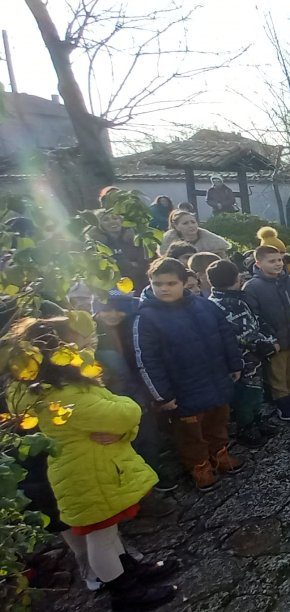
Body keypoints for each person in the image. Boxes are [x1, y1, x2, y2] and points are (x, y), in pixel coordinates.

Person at [8, 316, 177, 609]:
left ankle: (130, 572)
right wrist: (126, 409)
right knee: (100, 538)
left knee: (108, 534)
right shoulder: (65, 395)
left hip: (90, 469)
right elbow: (123, 413)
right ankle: (125, 594)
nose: (84, 346)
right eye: (77, 342)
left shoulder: (42, 389)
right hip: (88, 475)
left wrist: (120, 423)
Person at [133, 257, 245, 492]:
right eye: (158, 283)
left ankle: (219, 454)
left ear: (184, 282)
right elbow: (146, 360)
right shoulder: (146, 318)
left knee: (218, 422)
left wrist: (234, 364)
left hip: (215, 379)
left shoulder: (204, 306)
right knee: (190, 435)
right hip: (183, 390)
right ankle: (199, 467)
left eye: (171, 283)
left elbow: (226, 335)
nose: (164, 289)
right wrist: (162, 396)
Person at [93, 290, 176, 493]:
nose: (113, 315)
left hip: (142, 395)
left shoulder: (135, 327)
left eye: (119, 310)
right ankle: (137, 484)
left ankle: (153, 472)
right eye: (107, 310)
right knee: (128, 444)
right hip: (115, 399)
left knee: (149, 437)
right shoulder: (93, 336)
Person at [207, 260, 280, 448]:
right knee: (247, 395)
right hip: (245, 360)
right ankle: (247, 429)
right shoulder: (233, 303)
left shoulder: (215, 301)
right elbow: (247, 334)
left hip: (242, 360)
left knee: (254, 392)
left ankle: (257, 421)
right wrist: (270, 345)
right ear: (236, 277)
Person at [243, 245, 290, 421]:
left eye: (279, 260)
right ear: (259, 263)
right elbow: (254, 317)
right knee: (277, 375)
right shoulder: (252, 287)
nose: (278, 264)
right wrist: (270, 339)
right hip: (275, 343)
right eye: (271, 261)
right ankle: (283, 403)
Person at [92, 209, 150, 293]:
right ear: (99, 225)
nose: (112, 222)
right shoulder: (97, 244)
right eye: (106, 220)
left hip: (142, 282)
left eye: (115, 218)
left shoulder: (135, 238)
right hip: (115, 288)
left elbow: (145, 259)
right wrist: (129, 264)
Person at [158, 210, 229, 259]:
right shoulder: (168, 245)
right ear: (176, 226)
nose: (191, 226)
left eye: (193, 222)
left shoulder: (215, 244)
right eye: (185, 223)